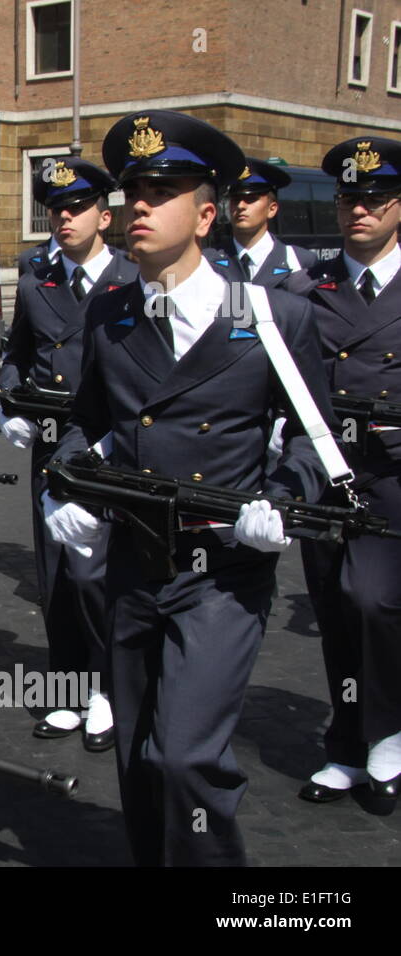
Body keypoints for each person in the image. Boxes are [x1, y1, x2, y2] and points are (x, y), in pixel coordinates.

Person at [47, 110, 333, 865]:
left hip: (222, 573)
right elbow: (83, 427)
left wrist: (284, 501)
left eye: (162, 190)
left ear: (206, 214)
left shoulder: (270, 315)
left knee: (186, 759)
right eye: (133, 189)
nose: (137, 205)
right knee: (139, 758)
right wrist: (66, 491)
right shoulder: (109, 313)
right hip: (134, 569)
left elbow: (315, 437)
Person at [0, 157, 136, 753]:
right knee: (56, 574)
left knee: (95, 573)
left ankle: (109, 685)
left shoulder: (133, 280)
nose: (63, 217)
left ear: (105, 216)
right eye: (55, 208)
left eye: (77, 207)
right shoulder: (37, 279)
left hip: (113, 445)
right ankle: (69, 688)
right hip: (53, 444)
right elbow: (16, 353)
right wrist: (11, 408)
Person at [290, 137, 401, 808]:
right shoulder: (307, 284)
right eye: (349, 198)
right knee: (334, 607)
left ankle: (388, 730)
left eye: (375, 199)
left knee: (377, 603)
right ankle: (349, 742)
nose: (358, 210)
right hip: (328, 475)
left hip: (393, 475)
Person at [204, 159, 316, 289]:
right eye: (235, 200)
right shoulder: (207, 260)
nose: (241, 206)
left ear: (272, 209)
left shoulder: (299, 261)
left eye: (250, 199)